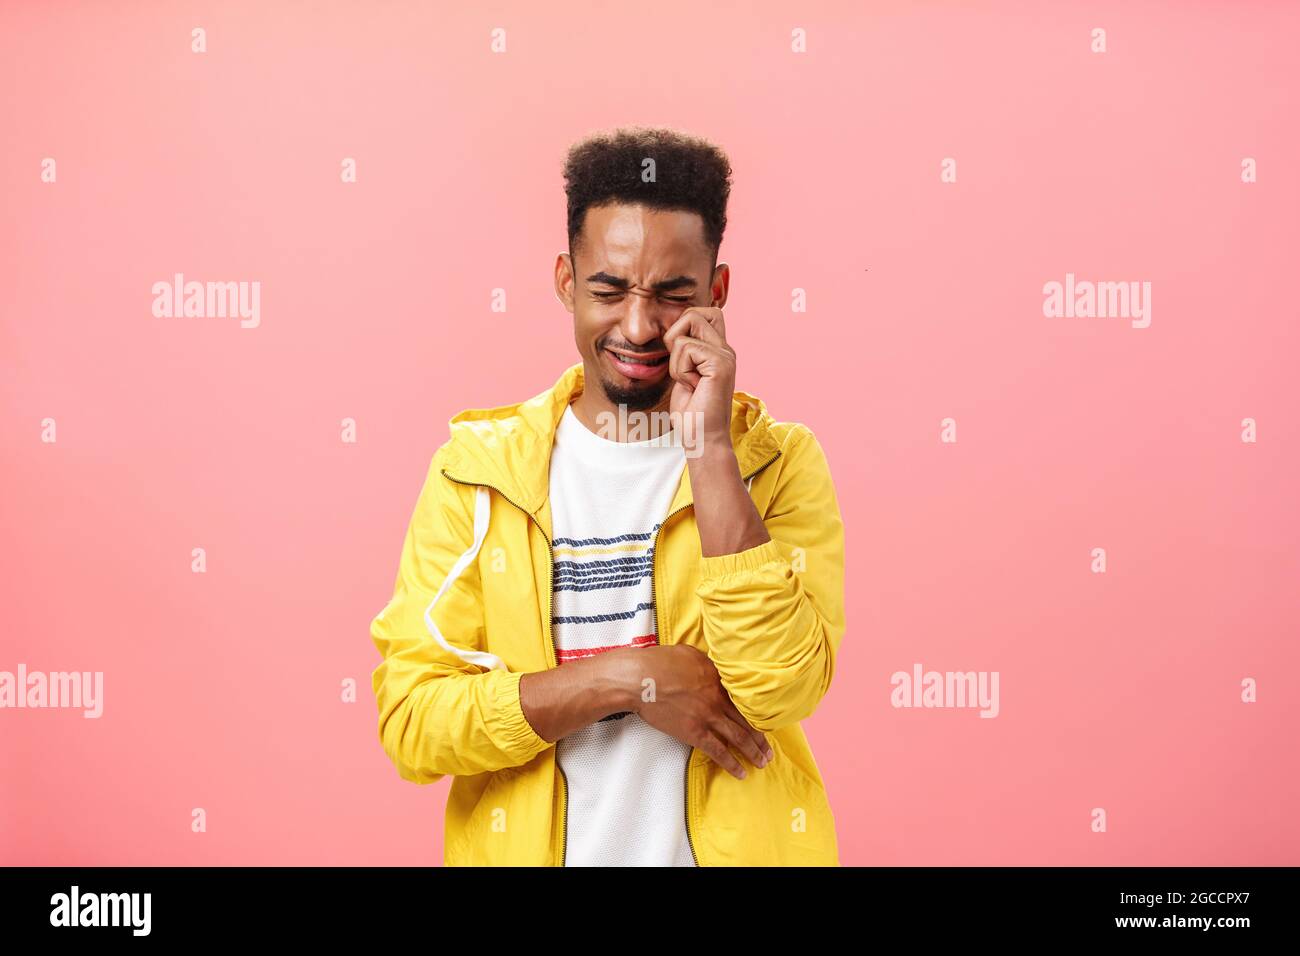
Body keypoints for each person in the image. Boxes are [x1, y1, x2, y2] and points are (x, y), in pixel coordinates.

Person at [369, 126, 846, 866]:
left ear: (716, 293)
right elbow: (414, 721)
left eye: (672, 294)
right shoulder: (477, 474)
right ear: (566, 280)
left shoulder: (776, 464)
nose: (637, 325)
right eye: (609, 289)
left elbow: (782, 690)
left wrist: (710, 449)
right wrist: (630, 680)